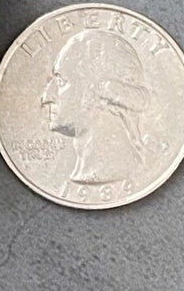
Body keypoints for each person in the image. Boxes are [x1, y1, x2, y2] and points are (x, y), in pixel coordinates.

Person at [41, 29, 154, 201]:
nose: (46, 97)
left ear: (102, 93)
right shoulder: (86, 170)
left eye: (61, 81)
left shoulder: (119, 169)